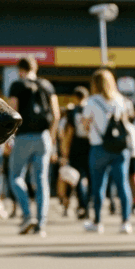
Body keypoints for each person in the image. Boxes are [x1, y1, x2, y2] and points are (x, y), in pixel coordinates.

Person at [7, 56, 59, 236]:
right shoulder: (47, 85)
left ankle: (28, 214)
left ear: (20, 70)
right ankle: (41, 224)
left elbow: (13, 112)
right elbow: (56, 114)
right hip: (44, 137)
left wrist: (9, 139)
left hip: (23, 137)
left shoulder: (17, 85)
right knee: (42, 181)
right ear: (35, 68)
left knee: (15, 177)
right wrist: (52, 139)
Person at [80, 68, 133, 233]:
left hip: (99, 147)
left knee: (98, 185)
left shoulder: (91, 101)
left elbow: (85, 126)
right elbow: (126, 121)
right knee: (122, 184)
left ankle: (97, 222)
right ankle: (125, 221)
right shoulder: (121, 100)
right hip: (119, 147)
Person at [60, 85, 91, 219]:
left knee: (77, 177)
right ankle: (88, 206)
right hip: (91, 146)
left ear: (75, 97)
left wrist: (65, 152)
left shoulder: (73, 112)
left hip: (76, 147)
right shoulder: (91, 109)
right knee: (92, 177)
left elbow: (69, 133)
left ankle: (82, 205)